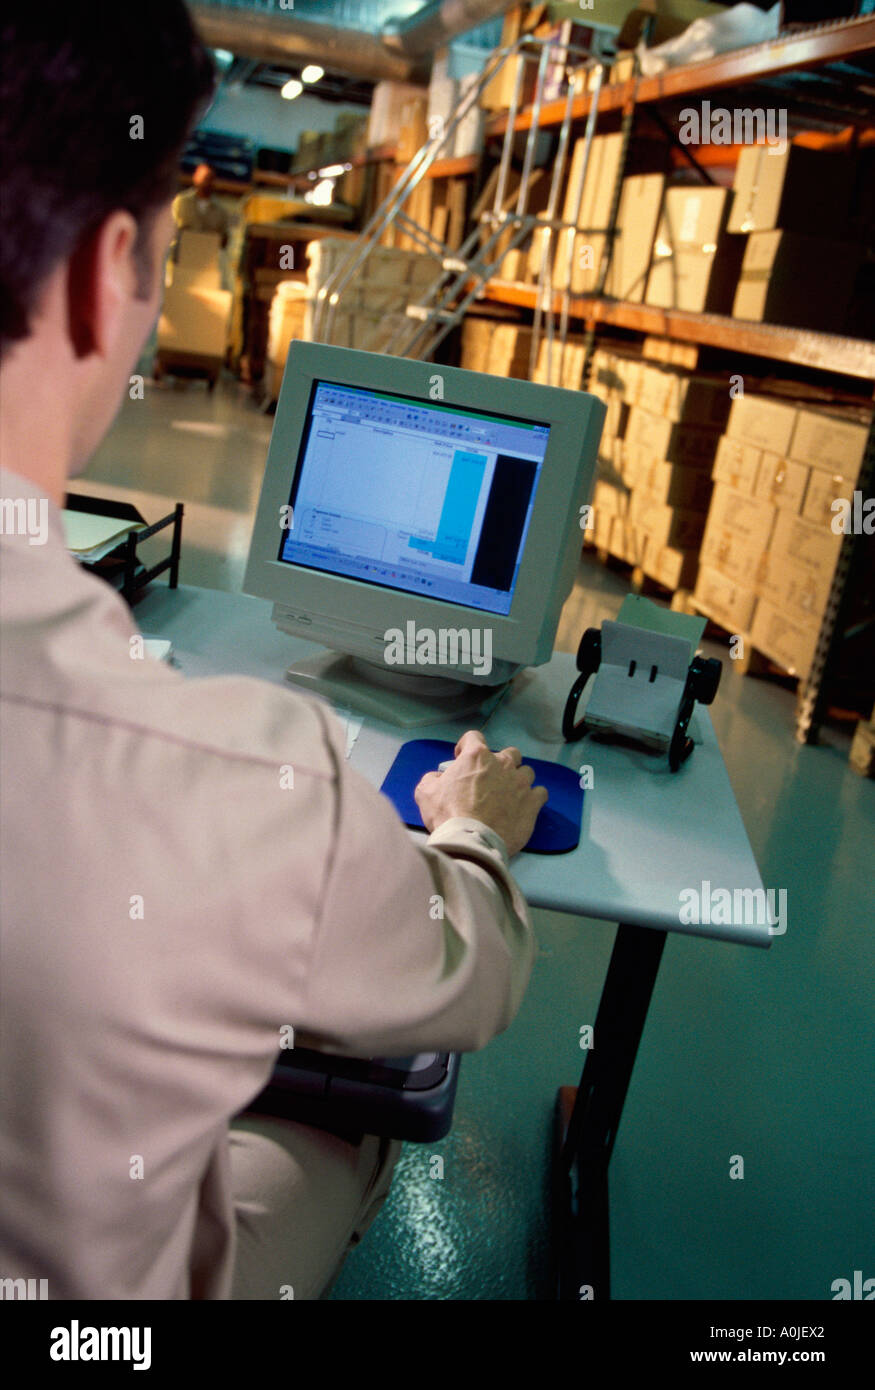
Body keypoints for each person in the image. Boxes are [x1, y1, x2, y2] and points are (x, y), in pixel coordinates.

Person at [0, 2, 547, 1300]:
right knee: (335, 1111)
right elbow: (460, 982)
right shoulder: (232, 780)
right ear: (103, 274)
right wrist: (468, 834)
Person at [172, 162, 230, 247]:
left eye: (209, 178)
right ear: (195, 177)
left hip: (205, 257)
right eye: (203, 178)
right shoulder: (181, 202)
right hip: (181, 254)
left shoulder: (221, 212)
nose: (206, 182)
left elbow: (224, 241)